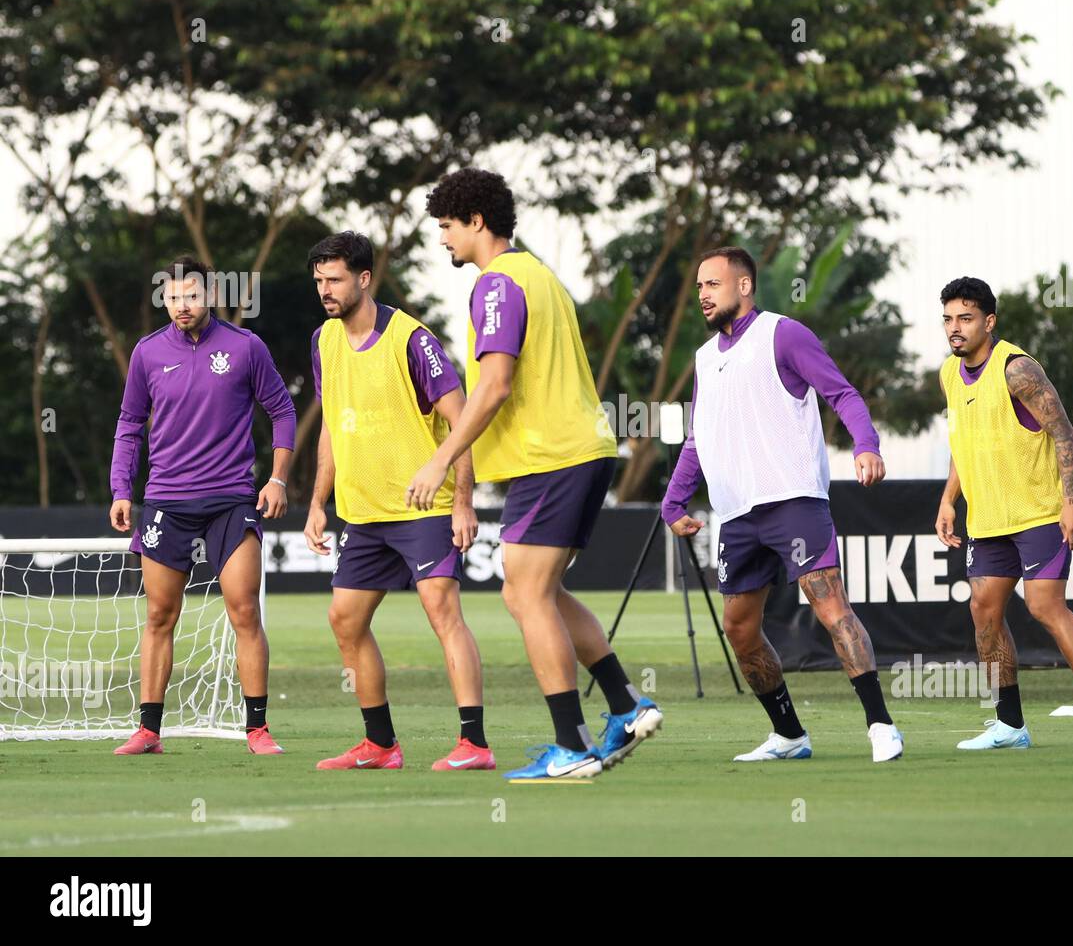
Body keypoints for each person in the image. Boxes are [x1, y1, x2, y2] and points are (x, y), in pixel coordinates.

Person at [418, 167, 661, 780]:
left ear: (476, 221)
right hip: (579, 452)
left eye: (447, 226)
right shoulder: (540, 275)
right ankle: (626, 704)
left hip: (549, 458)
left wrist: (442, 457)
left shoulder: (497, 283)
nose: (443, 239)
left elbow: (495, 384)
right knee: (536, 592)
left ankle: (573, 747)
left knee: (525, 593)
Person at [662, 245, 905, 764]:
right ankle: (789, 734)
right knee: (740, 629)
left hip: (792, 498)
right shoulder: (706, 358)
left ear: (744, 286)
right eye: (699, 285)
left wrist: (866, 445)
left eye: (713, 284)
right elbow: (697, 439)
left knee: (830, 606)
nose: (703, 294)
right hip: (736, 514)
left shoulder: (783, 333)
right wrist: (673, 499)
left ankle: (881, 725)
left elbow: (842, 394)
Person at [304, 231, 495, 771]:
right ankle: (380, 745)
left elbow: (462, 424)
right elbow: (332, 429)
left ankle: (474, 744)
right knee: (345, 619)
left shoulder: (412, 339)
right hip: (363, 514)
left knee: (442, 611)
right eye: (319, 280)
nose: (325, 289)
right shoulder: (323, 341)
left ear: (364, 279)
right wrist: (319, 501)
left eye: (335, 278)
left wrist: (463, 502)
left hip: (423, 509)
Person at [109, 255, 295, 756]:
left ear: (211, 295)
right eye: (172, 297)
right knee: (159, 615)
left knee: (243, 611)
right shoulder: (148, 353)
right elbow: (129, 424)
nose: (181, 305)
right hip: (166, 502)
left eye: (191, 295)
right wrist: (121, 489)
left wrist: (278, 478)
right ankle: (149, 731)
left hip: (232, 501)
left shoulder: (244, 347)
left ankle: (257, 729)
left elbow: (281, 409)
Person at [935, 276, 1073, 751]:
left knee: (1044, 606)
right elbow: (964, 441)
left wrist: (1072, 502)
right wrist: (947, 499)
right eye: (947, 319)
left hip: (1039, 513)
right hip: (987, 519)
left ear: (989, 321)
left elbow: (1064, 433)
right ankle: (1010, 725)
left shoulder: (1017, 369)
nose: (954, 328)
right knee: (984, 614)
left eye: (965, 318)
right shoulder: (948, 374)